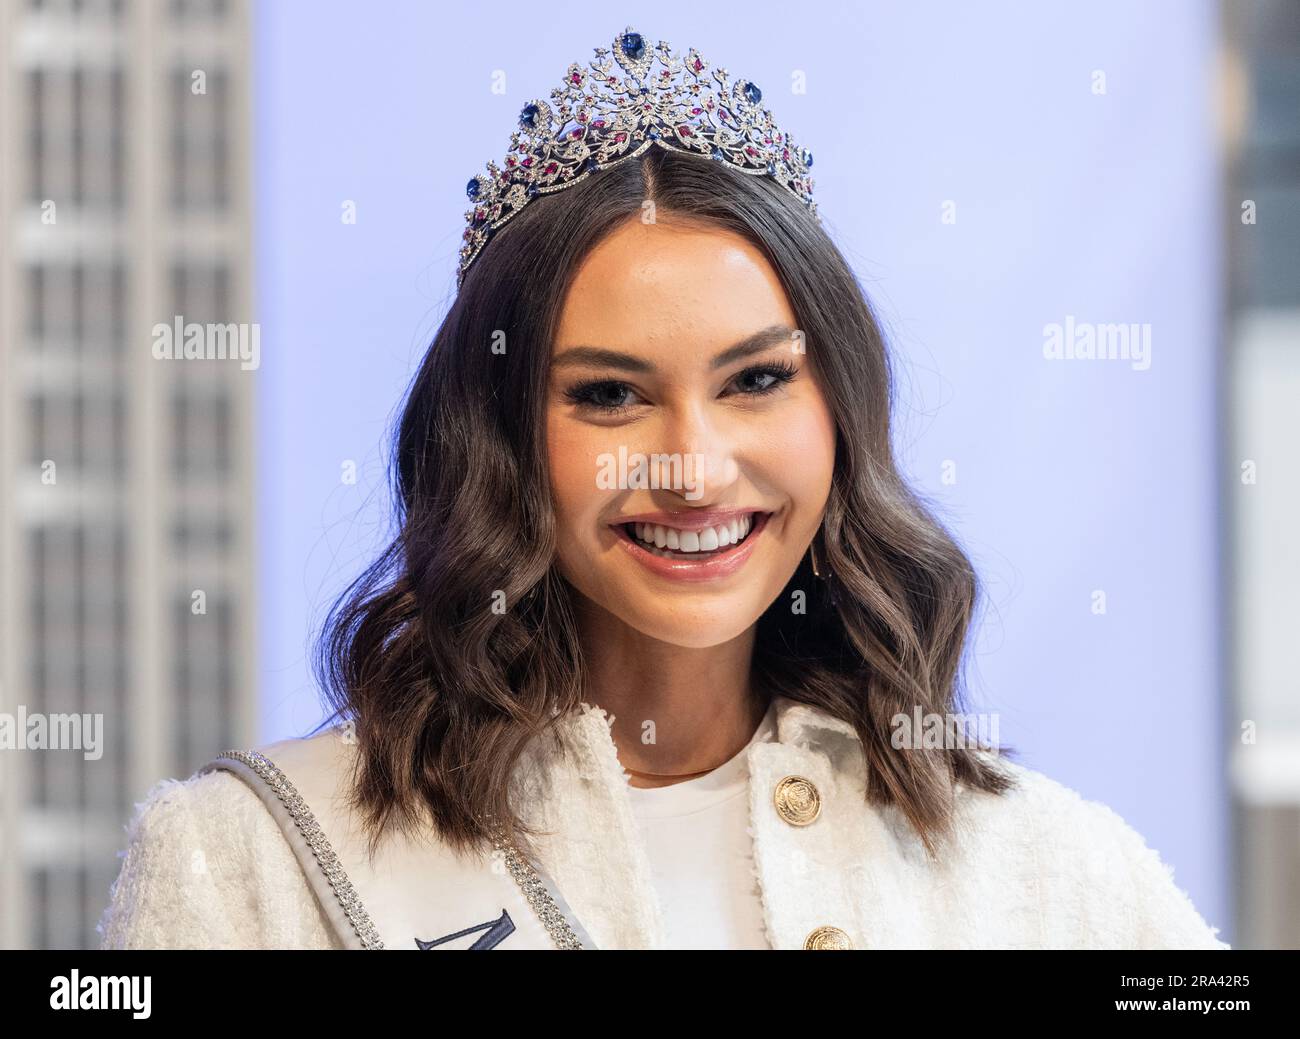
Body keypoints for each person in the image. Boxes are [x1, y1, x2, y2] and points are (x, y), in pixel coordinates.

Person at [98, 26, 1229, 951]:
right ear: (497, 434)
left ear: (836, 405)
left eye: (756, 379)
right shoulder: (248, 861)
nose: (692, 468)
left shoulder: (1049, 876)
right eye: (607, 396)